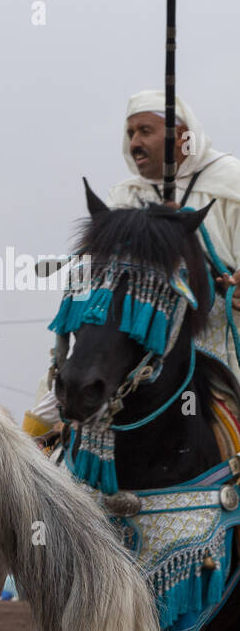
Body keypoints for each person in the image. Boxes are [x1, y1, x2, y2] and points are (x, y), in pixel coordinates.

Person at [24, 90, 240, 437]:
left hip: (216, 336)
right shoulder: (124, 197)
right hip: (133, 338)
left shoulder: (231, 182)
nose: (135, 142)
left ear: (183, 136)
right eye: (130, 134)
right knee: (56, 398)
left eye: (145, 131)